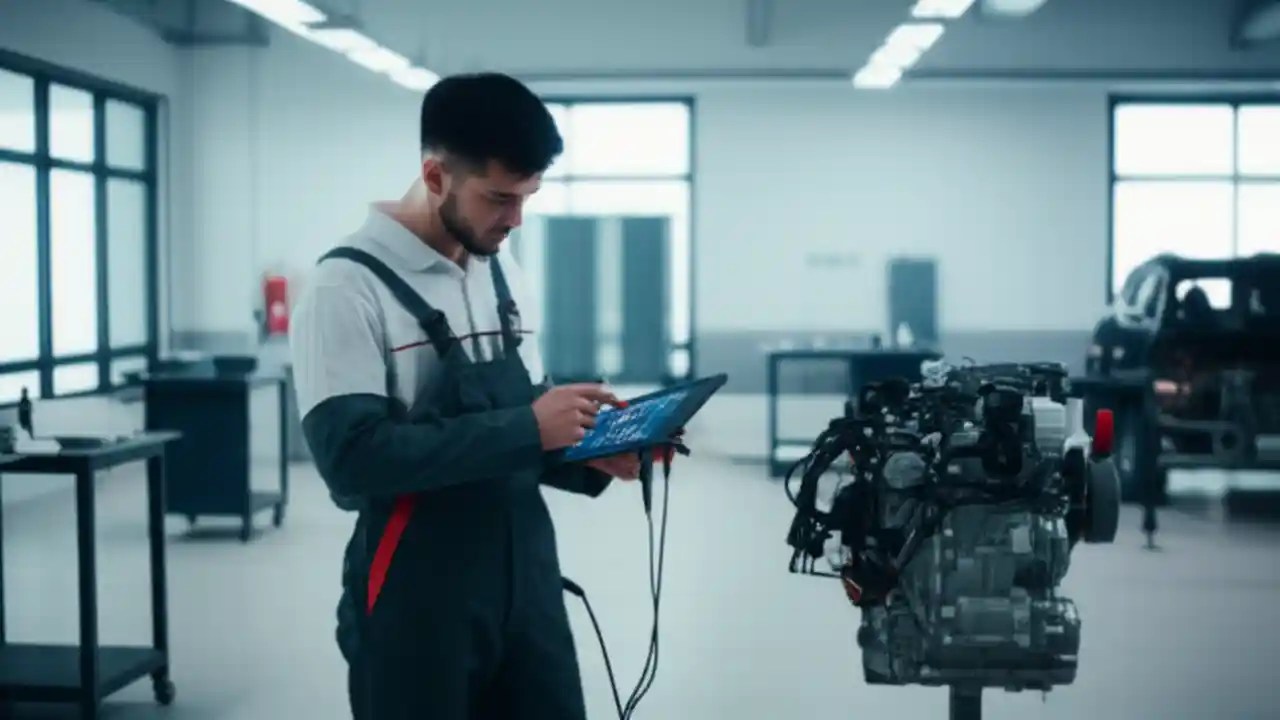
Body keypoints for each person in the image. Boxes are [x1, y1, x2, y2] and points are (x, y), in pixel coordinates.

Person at [289, 72, 643, 720]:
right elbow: (351, 461)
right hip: (415, 592)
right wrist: (531, 430)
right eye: (499, 198)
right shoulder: (345, 288)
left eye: (527, 197)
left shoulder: (501, 270)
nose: (516, 219)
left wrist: (587, 453)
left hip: (527, 577)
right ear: (434, 176)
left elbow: (520, 426)